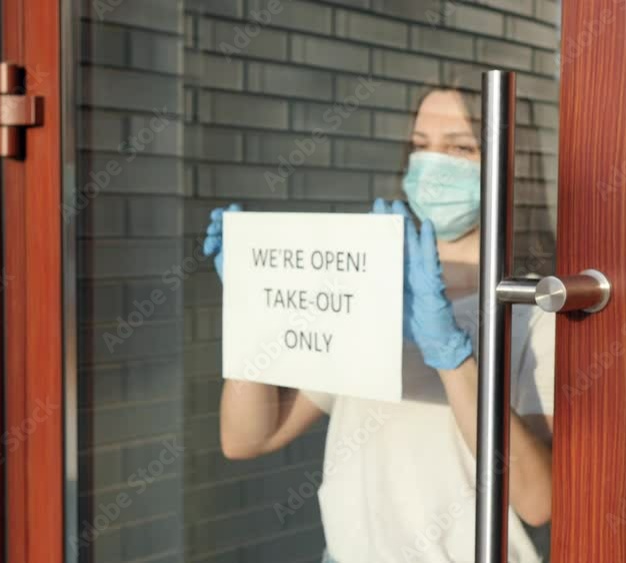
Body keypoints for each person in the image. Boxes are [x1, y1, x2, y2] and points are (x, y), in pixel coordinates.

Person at [204, 86, 556, 562]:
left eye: (460, 147)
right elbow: (248, 438)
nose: (433, 164)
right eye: (420, 144)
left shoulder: (536, 308)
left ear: (510, 164)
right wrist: (253, 309)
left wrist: (452, 357)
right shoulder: (372, 282)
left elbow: (537, 501)